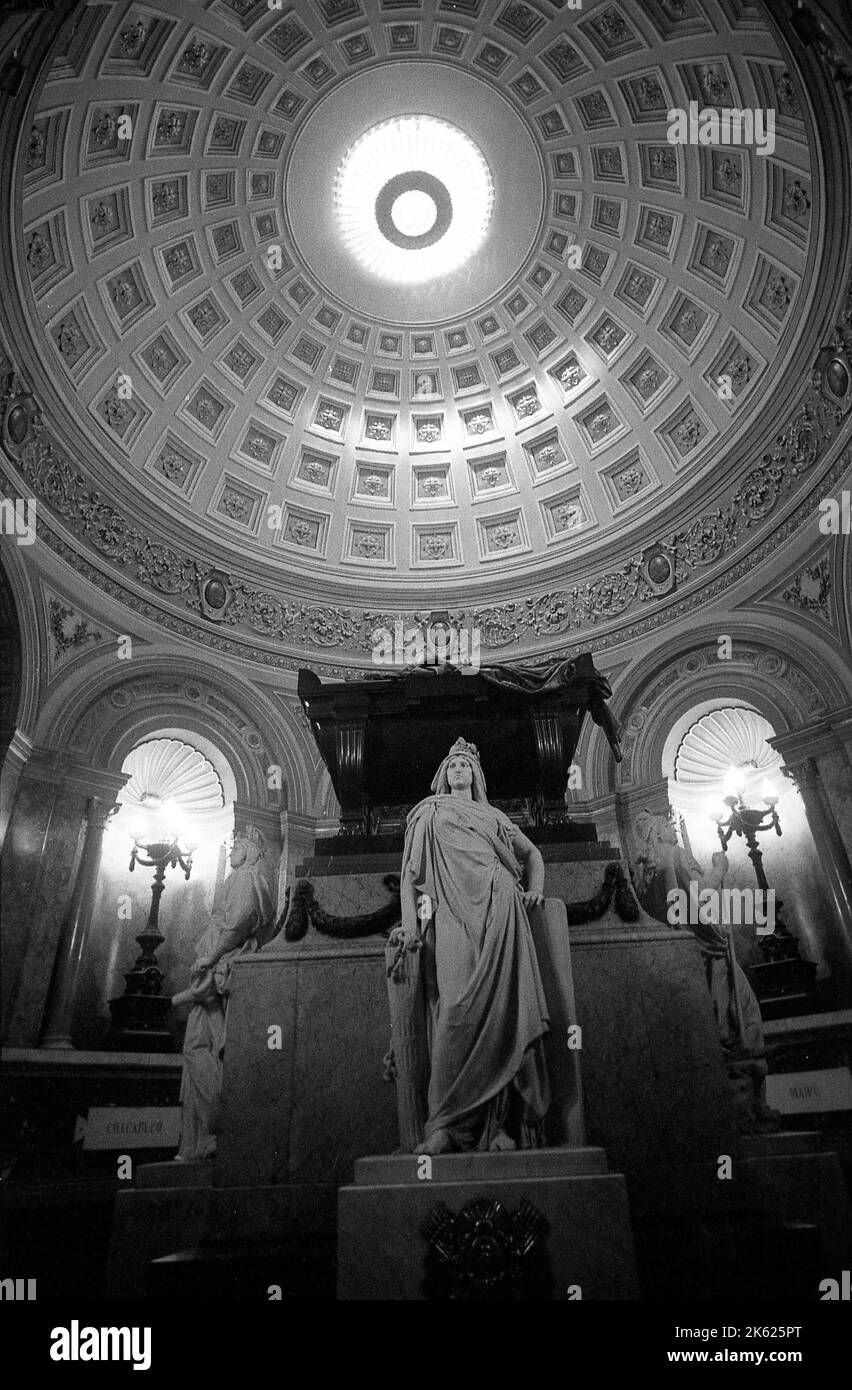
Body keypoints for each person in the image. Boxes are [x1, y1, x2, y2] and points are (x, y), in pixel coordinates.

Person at [397, 737, 551, 1155]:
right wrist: (411, 929)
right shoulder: (429, 813)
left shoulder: (495, 816)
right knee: (453, 1012)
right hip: (451, 915)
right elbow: (410, 880)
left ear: (477, 775)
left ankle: (502, 1126)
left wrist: (534, 889)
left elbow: (532, 854)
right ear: (444, 775)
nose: (459, 770)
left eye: (466, 765)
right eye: (453, 765)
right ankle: (445, 1125)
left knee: (504, 1013)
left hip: (502, 908)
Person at [171, 826, 275, 1160]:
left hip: (220, 973)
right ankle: (202, 1135)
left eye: (236, 848)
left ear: (249, 852)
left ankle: (212, 1131)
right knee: (203, 1048)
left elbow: (239, 921)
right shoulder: (243, 879)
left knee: (204, 1049)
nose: (231, 852)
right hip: (215, 974)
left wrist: (211, 956)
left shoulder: (245, 879)